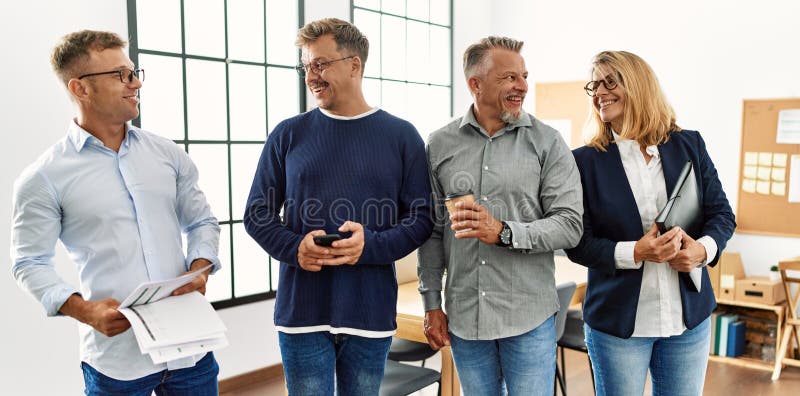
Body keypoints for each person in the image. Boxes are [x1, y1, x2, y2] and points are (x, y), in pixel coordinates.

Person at [10, 30, 222, 395]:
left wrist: (199, 267)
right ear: (80, 89)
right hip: (117, 362)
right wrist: (85, 311)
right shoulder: (43, 177)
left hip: (191, 351)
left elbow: (202, 221)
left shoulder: (168, 155)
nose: (136, 82)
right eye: (121, 75)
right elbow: (29, 262)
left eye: (134, 71)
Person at [243, 18, 433, 395]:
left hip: (370, 310)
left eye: (320, 64)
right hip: (302, 312)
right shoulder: (288, 134)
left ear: (354, 65)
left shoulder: (401, 136)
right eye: (306, 66)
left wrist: (370, 246)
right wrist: (295, 247)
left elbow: (422, 218)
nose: (311, 75)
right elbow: (257, 214)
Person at [417, 36, 584, 395]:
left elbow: (570, 225)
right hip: (465, 318)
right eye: (509, 77)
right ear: (475, 84)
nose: (522, 86)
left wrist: (504, 231)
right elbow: (431, 232)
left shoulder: (548, 143)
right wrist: (431, 302)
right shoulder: (439, 144)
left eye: (523, 76)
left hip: (528, 318)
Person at [565, 50, 736, 395]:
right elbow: (578, 243)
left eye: (609, 81)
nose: (599, 92)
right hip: (618, 325)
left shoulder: (690, 145)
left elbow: (722, 214)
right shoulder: (583, 162)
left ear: (639, 85)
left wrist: (702, 250)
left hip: (688, 320)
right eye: (594, 85)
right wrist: (635, 252)